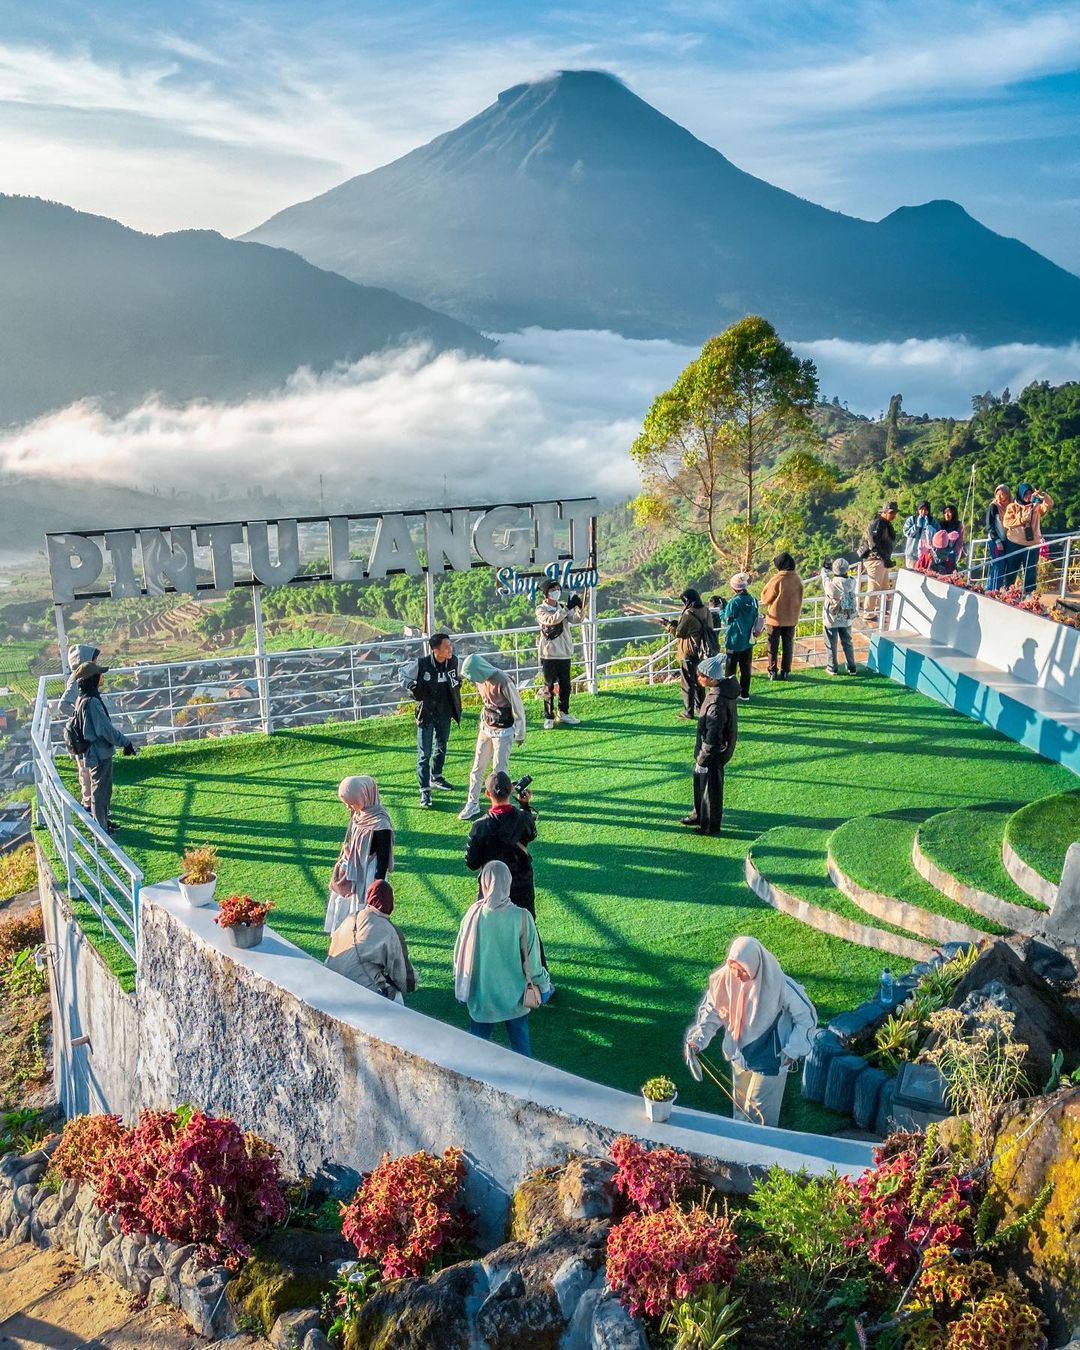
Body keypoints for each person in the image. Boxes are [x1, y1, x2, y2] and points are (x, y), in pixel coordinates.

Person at [683, 936, 817, 1129]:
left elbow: (807, 1017)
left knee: (759, 1119)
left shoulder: (780, 985)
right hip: (740, 1056)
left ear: (755, 965)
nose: (737, 975)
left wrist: (792, 1050)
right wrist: (698, 1040)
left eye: (742, 970)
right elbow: (711, 1012)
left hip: (771, 1060)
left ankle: (763, 1156)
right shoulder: (725, 979)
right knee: (740, 1112)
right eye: (734, 968)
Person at [453, 860, 550, 1056]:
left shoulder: (472, 915)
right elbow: (533, 963)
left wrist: (460, 982)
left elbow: (458, 956)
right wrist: (544, 985)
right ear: (508, 881)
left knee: (475, 1054)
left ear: (484, 882)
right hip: (516, 999)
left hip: (482, 999)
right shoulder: (522, 917)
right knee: (523, 1054)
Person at [457, 654, 526, 821]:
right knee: (477, 767)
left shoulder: (503, 680)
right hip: (486, 727)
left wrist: (520, 732)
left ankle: (500, 807)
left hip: (503, 730)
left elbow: (518, 707)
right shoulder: (480, 679)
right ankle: (472, 804)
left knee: (499, 771)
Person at [70, 661, 137, 831]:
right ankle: (100, 828)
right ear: (93, 679)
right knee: (100, 791)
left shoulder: (83, 698)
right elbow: (105, 729)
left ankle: (103, 822)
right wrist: (125, 742)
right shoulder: (91, 702)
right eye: (100, 674)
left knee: (102, 789)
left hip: (95, 751)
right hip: (98, 752)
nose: (103, 677)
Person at [325, 880, 416, 1003]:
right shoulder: (389, 930)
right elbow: (401, 975)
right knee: (397, 998)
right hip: (357, 989)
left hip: (329, 975)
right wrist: (410, 984)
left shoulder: (352, 916)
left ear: (369, 896)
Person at [325, 775, 394, 933]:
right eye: (346, 804)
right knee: (345, 904)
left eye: (351, 803)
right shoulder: (359, 814)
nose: (349, 808)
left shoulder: (380, 823)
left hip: (368, 873)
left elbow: (383, 858)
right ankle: (343, 933)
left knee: (361, 910)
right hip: (353, 869)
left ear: (364, 795)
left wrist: (376, 886)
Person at [680, 655, 739, 835]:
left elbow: (713, 735)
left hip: (712, 753)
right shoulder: (720, 692)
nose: (698, 677)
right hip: (712, 750)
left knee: (711, 789)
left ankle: (710, 826)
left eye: (701, 675)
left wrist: (703, 757)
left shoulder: (717, 701)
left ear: (712, 678)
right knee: (701, 782)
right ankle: (699, 814)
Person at [410, 632, 461, 809]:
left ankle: (437, 776)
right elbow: (404, 676)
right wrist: (412, 688)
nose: (450, 649)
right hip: (426, 713)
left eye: (450, 645)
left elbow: (456, 680)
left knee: (442, 745)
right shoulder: (421, 663)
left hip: (444, 711)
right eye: (447, 646)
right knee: (424, 754)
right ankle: (424, 790)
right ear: (436, 649)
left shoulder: (453, 661)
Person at [58, 643, 102, 813]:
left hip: (81, 732)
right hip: (80, 733)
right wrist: (80, 717)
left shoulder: (80, 677)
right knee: (86, 770)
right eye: (94, 659)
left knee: (86, 769)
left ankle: (89, 803)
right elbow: (63, 705)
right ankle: (89, 806)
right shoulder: (77, 679)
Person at [535, 578, 584, 730]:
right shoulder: (540, 610)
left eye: (557, 588)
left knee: (566, 686)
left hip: (564, 653)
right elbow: (551, 621)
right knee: (548, 687)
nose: (556, 591)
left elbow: (576, 620)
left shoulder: (562, 606)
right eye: (552, 589)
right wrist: (567, 608)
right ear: (546, 594)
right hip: (548, 654)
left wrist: (579, 608)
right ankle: (548, 716)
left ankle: (563, 712)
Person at [665, 588, 717, 719]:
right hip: (702, 651)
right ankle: (701, 708)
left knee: (688, 682)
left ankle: (688, 711)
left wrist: (669, 625)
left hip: (689, 652)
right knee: (700, 681)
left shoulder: (688, 613)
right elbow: (708, 627)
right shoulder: (705, 610)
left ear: (687, 601)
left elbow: (679, 633)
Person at [760, 553, 803, 682]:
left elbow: (765, 598)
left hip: (775, 619)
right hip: (791, 618)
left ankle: (773, 671)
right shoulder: (798, 580)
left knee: (772, 646)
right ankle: (785, 671)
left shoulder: (777, 580)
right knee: (788, 646)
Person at [1004, 483, 1054, 594]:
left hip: (1032, 544)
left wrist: (1043, 495)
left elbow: (1049, 505)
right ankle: (1008, 592)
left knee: (1030, 570)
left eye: (1030, 493)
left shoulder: (1036, 506)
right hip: (1014, 543)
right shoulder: (1012, 507)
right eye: (1025, 494)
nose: (1028, 496)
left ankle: (1029, 594)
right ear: (1020, 494)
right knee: (1011, 569)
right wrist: (1021, 520)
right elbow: (1007, 523)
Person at [721, 574, 758, 703]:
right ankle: (745, 693)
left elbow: (727, 620)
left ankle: (730, 694)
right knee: (746, 668)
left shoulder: (734, 602)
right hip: (748, 640)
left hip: (734, 640)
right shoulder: (753, 600)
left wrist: (721, 610)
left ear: (734, 588)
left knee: (731, 669)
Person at [861, 502, 898, 623]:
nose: (893, 515)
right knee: (874, 588)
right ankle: (868, 613)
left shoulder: (884, 524)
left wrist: (886, 559)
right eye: (891, 513)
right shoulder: (878, 524)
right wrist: (885, 558)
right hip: (875, 560)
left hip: (882, 560)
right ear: (884, 512)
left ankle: (878, 610)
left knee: (884, 587)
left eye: (894, 513)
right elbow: (874, 544)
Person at [820, 558, 858, 675]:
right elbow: (846, 578)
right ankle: (852, 667)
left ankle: (832, 667)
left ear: (834, 570)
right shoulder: (852, 582)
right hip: (846, 618)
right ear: (847, 569)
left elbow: (825, 579)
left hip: (831, 619)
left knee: (831, 643)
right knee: (847, 642)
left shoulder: (831, 585)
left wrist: (825, 570)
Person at [984, 484, 1012, 590]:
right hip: (996, 541)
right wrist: (997, 540)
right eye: (997, 494)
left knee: (1003, 565)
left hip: (1006, 540)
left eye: (1002, 494)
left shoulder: (1010, 506)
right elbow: (990, 525)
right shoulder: (994, 507)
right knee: (998, 565)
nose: (999, 497)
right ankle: (992, 590)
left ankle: (996, 588)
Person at [902, 501, 937, 567]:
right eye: (921, 509)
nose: (923, 511)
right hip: (912, 554)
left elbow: (937, 537)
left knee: (924, 575)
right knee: (911, 574)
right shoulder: (912, 519)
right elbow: (906, 532)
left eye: (926, 509)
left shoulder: (932, 521)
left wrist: (928, 529)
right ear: (918, 509)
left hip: (927, 556)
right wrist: (916, 526)